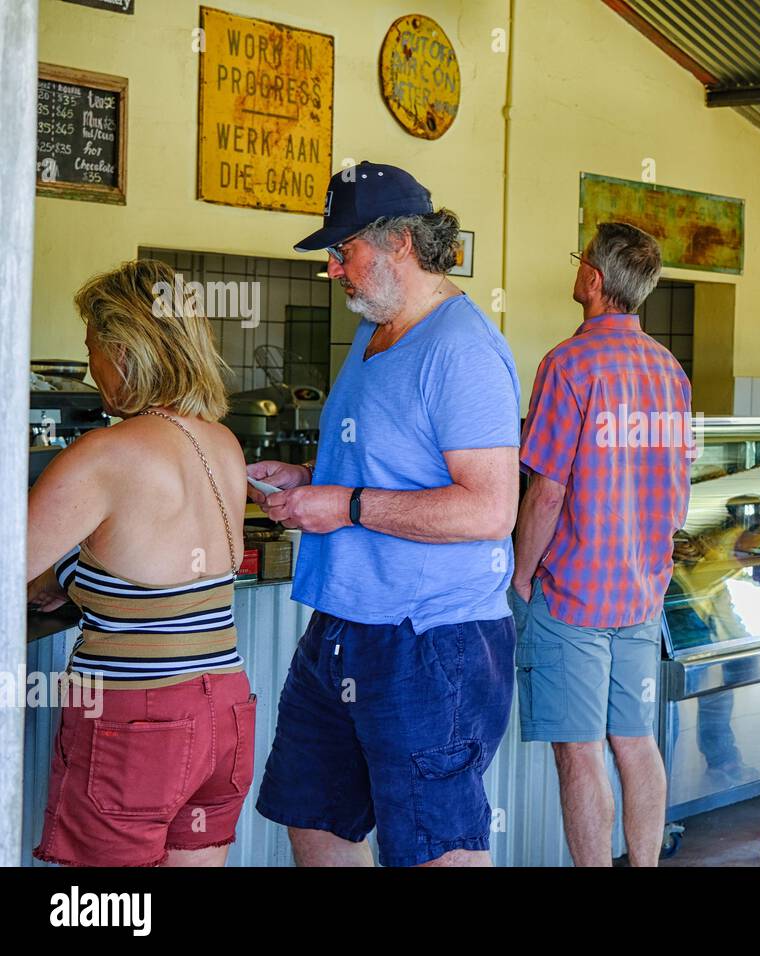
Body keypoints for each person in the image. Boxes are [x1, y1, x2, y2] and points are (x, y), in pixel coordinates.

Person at [249, 162, 520, 868]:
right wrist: (312, 479)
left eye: (345, 252)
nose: (335, 270)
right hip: (341, 625)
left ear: (400, 241)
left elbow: (490, 509)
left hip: (430, 641)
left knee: (432, 847)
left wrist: (346, 505)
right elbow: (393, 466)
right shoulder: (377, 333)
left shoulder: (461, 350)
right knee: (313, 818)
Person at [27, 259, 254, 867]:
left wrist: (50, 577)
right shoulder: (221, 442)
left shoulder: (104, 453)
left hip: (138, 719)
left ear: (123, 352)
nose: (91, 367)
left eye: (91, 348)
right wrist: (70, 578)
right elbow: (152, 562)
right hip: (224, 712)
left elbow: (8, 564)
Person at [512, 222, 691, 867]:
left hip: (573, 593)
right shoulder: (669, 370)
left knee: (580, 748)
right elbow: (676, 490)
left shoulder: (569, 364)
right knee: (636, 740)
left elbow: (548, 491)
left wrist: (522, 572)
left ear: (594, 279)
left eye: (579, 259)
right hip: (642, 592)